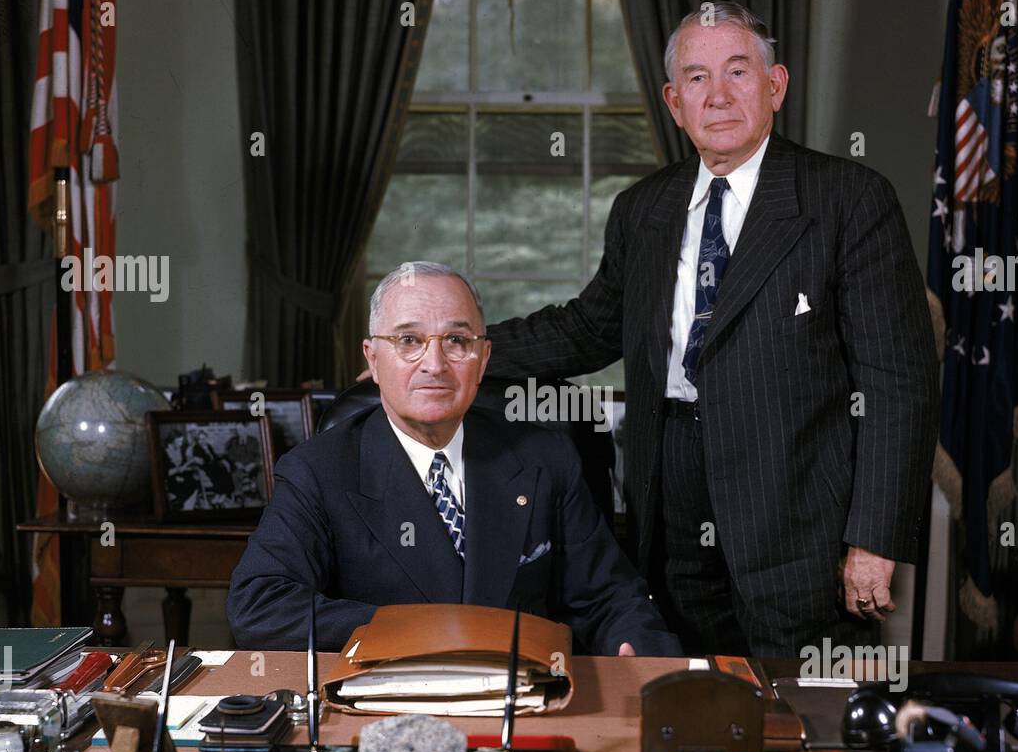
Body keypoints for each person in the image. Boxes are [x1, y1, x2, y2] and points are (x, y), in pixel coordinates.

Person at [484, 2, 939, 655]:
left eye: (737, 72)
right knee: (684, 702)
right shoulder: (642, 209)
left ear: (775, 86)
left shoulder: (848, 200)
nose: (717, 96)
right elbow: (587, 329)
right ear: (673, 101)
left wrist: (874, 540)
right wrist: (460, 351)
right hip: (667, 499)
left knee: (803, 719)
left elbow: (898, 382)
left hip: (796, 512)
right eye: (696, 79)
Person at [227, 262, 681, 656]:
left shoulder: (544, 457)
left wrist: (639, 654)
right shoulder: (317, 469)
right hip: (390, 703)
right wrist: (417, 632)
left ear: (482, 360)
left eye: (457, 341)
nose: (435, 364)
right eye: (409, 340)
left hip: (519, 705)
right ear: (373, 358)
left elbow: (609, 598)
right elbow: (260, 605)